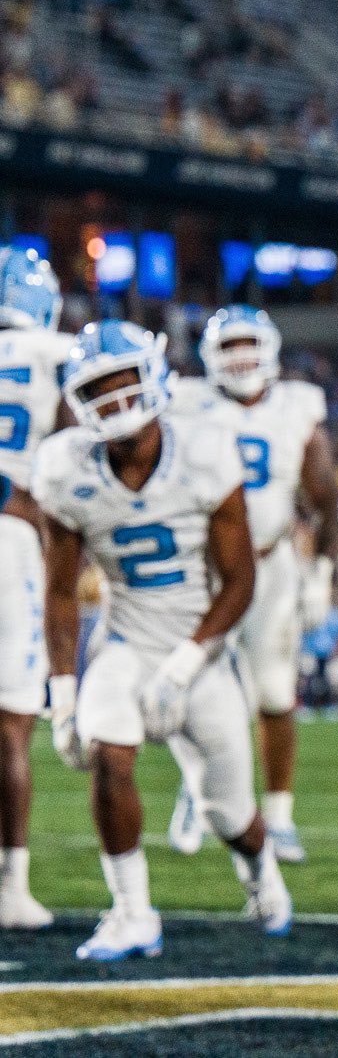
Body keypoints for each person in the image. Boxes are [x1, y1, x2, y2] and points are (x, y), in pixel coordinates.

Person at [34, 321, 292, 960]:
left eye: (127, 386)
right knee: (108, 755)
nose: (117, 405)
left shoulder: (205, 451)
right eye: (100, 391)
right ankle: (132, 913)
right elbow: (62, 592)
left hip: (199, 650)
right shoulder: (65, 468)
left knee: (228, 816)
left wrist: (185, 663)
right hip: (123, 640)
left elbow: (240, 580)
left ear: (156, 380)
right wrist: (64, 693)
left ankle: (260, 868)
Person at [164, 306, 338, 864]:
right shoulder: (187, 403)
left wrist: (321, 573)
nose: (240, 356)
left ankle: (280, 816)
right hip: (204, 568)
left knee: (273, 691)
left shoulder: (296, 405)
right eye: (229, 345)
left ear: (267, 348)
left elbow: (325, 496)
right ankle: (197, 788)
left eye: (248, 344)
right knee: (188, 684)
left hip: (270, 562)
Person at [0, 248, 70, 929]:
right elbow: (79, 456)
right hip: (11, 535)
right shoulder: (55, 352)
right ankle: (11, 884)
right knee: (12, 723)